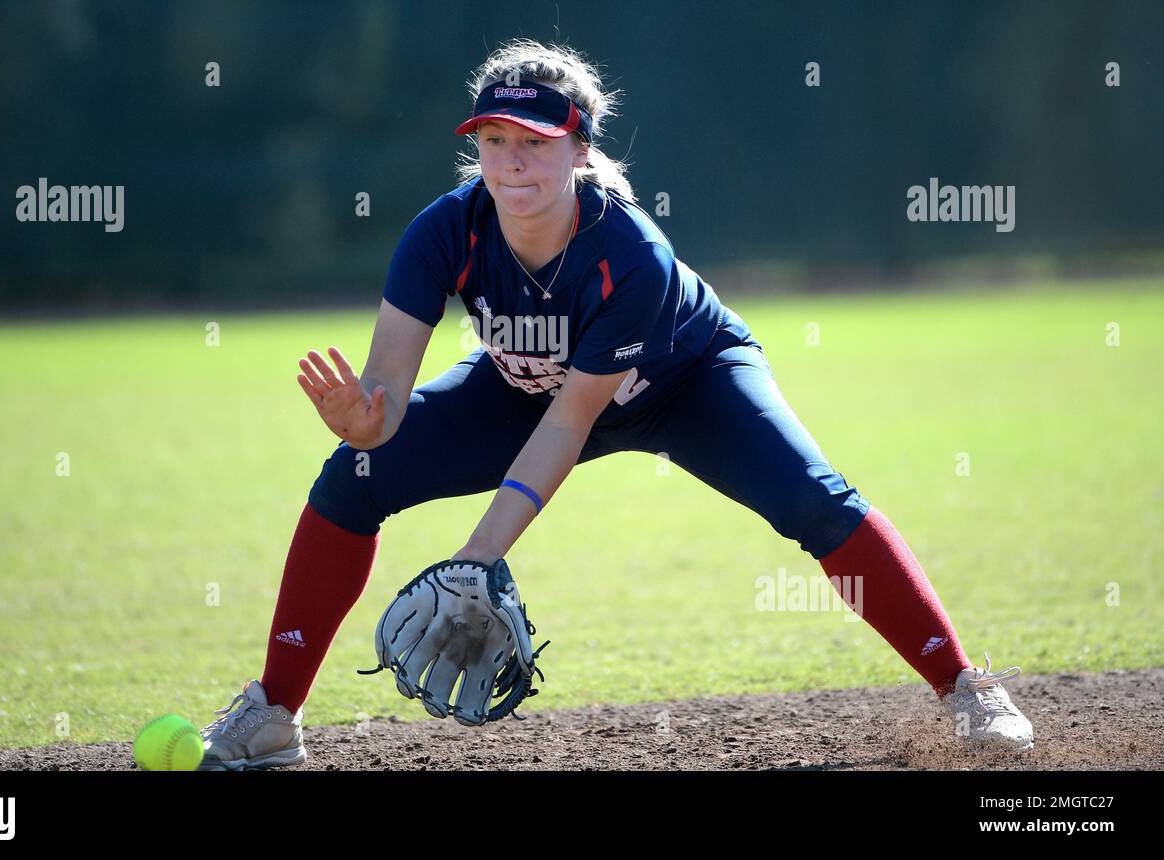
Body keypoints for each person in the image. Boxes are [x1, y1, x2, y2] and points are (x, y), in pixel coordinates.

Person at [195, 39, 1034, 769]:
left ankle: (966, 686)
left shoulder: (631, 254)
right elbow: (384, 397)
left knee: (813, 499)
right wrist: (363, 421)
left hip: (687, 380)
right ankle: (274, 716)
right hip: (529, 386)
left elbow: (574, 419)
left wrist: (477, 555)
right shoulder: (443, 233)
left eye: (533, 140)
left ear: (579, 149)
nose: (511, 160)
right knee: (352, 478)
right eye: (493, 140)